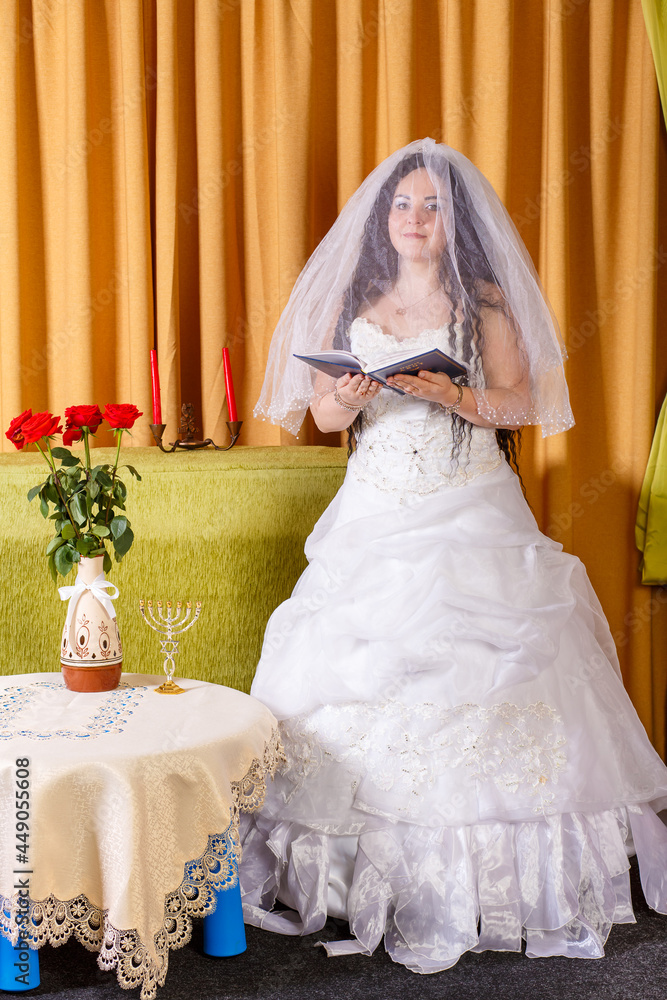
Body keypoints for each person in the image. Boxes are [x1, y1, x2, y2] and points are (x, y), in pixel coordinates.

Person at [242, 139, 667, 971]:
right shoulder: (360, 304)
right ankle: (342, 879)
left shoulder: (487, 307)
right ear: (384, 221)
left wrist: (456, 394)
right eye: (402, 205)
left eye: (430, 206)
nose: (413, 219)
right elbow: (327, 419)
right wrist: (347, 394)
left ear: (452, 221)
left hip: (467, 506)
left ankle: (496, 881)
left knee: (491, 668)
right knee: (352, 667)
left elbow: (523, 403)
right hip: (372, 510)